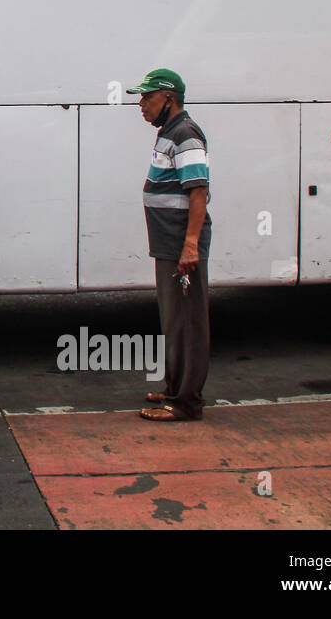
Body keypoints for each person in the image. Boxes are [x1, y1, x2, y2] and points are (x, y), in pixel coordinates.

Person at [126, 68, 212, 422]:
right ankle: (174, 387)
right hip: (168, 242)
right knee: (173, 319)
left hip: (180, 243)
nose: (142, 105)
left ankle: (187, 403)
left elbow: (198, 192)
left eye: (148, 98)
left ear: (169, 98)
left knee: (188, 322)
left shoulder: (186, 135)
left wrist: (190, 245)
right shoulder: (169, 132)